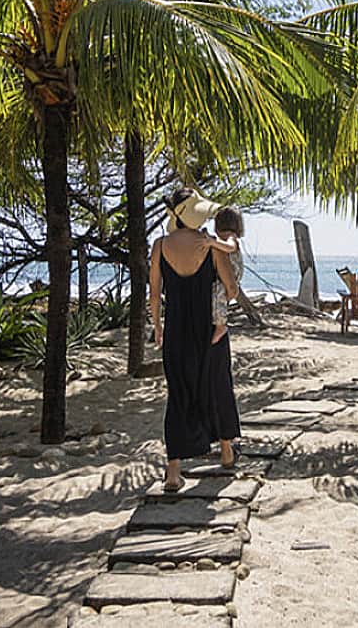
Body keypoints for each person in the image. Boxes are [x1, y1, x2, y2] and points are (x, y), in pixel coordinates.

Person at [149, 188, 243, 492]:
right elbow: (231, 288)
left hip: (175, 331)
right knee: (217, 386)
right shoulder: (209, 245)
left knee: (178, 396)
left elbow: (154, 294)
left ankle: (173, 471)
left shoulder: (159, 246)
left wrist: (158, 327)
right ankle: (226, 451)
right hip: (209, 331)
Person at [204, 206, 244, 346]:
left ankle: (221, 325)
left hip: (234, 271)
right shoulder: (222, 239)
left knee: (218, 294)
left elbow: (230, 247)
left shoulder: (230, 238)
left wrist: (212, 242)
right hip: (230, 272)